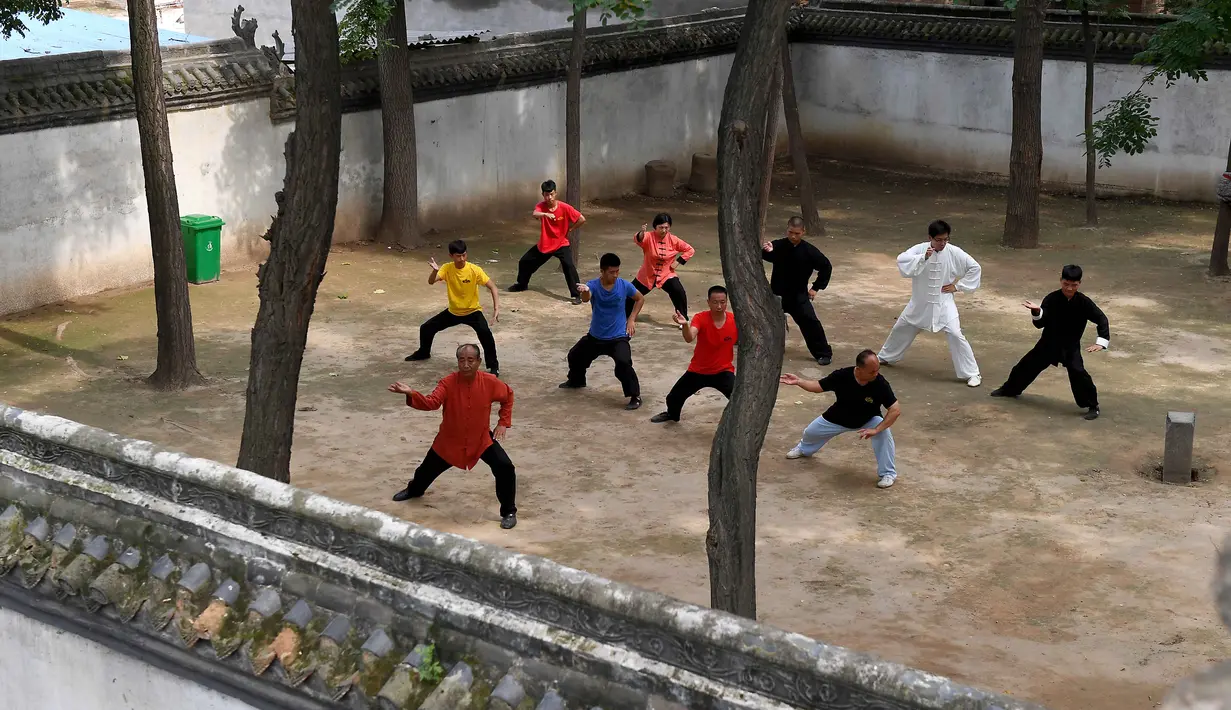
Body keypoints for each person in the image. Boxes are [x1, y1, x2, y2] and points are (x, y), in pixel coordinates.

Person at [388, 344, 518, 529]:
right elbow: (432, 403)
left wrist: (503, 422)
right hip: (449, 441)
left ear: (479, 361)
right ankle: (414, 490)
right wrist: (411, 393)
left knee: (505, 467)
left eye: (470, 360)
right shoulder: (447, 382)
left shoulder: (490, 382)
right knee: (424, 472)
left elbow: (508, 396)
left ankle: (509, 511)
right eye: (461, 360)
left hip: (480, 439)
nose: (465, 364)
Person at [990, 264, 1110, 420]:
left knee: (1079, 373)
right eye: (1066, 284)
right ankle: (1009, 390)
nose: (1069, 288)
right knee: (1025, 366)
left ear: (1079, 284)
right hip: (1048, 343)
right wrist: (1037, 312)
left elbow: (1101, 319)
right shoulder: (1052, 299)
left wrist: (1101, 342)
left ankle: (1092, 406)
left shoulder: (1084, 302)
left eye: (1074, 285)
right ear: (1061, 281)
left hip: (1070, 347)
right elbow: (1040, 324)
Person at [876, 220, 983, 387]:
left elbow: (974, 267)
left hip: (944, 304)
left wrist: (958, 286)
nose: (943, 243)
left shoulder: (954, 252)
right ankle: (884, 357)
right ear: (930, 238)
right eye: (939, 240)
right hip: (920, 302)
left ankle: (972, 373)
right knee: (901, 328)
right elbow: (902, 260)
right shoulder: (919, 249)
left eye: (946, 239)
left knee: (956, 334)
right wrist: (923, 257)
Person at [779, 349, 901, 489]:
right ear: (859, 369)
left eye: (877, 370)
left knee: (884, 433)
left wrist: (876, 429)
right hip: (838, 416)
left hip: (868, 419)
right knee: (810, 432)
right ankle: (804, 449)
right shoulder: (842, 375)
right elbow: (818, 386)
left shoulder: (880, 383)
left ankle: (888, 474)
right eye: (872, 372)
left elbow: (895, 410)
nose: (876, 374)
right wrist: (799, 381)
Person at [559, 252, 645, 410]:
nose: (615, 275)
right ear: (602, 271)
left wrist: (631, 319)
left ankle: (635, 396)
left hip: (618, 337)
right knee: (575, 356)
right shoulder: (593, 285)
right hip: (596, 336)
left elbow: (640, 298)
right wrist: (585, 290)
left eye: (617, 271)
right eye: (612, 272)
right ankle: (577, 381)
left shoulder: (624, 285)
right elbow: (586, 298)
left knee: (624, 363)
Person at [405, 240, 501, 376]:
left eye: (464, 255)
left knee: (486, 335)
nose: (462, 259)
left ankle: (494, 367)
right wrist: (435, 271)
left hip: (473, 312)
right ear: (451, 256)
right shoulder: (447, 268)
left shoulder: (474, 270)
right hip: (454, 312)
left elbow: (493, 287)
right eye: (458, 256)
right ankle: (423, 352)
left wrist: (496, 309)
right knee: (426, 328)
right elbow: (431, 281)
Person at [650, 285, 738, 424]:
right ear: (708, 302)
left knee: (739, 397)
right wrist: (685, 325)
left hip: (723, 371)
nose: (719, 306)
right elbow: (689, 337)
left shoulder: (735, 320)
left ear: (727, 302)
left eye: (722, 302)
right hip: (698, 370)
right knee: (673, 397)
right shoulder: (700, 318)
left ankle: (742, 423)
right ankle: (672, 414)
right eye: (715, 302)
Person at [762, 216, 834, 365]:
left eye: (797, 233)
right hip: (776, 295)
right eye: (790, 232)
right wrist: (767, 250)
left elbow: (826, 267)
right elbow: (766, 254)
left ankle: (823, 353)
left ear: (803, 232)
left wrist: (815, 288)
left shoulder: (809, 251)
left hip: (798, 296)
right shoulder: (778, 245)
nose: (793, 236)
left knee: (811, 323)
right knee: (762, 319)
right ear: (787, 229)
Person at [507, 179, 585, 304]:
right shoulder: (541, 206)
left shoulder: (564, 207)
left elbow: (581, 219)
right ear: (543, 195)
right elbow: (535, 214)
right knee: (525, 262)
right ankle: (522, 284)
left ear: (555, 193)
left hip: (561, 244)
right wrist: (546, 215)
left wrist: (571, 229)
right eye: (546, 195)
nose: (549, 197)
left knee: (569, 267)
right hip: (545, 244)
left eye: (551, 194)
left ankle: (577, 295)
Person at [625, 213, 696, 320]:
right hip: (647, 274)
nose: (664, 230)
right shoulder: (648, 236)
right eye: (661, 227)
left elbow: (690, 250)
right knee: (630, 293)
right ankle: (623, 315)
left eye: (666, 227)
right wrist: (641, 233)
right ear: (655, 227)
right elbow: (638, 239)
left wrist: (678, 261)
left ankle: (682, 318)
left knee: (679, 291)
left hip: (666, 274)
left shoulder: (674, 240)